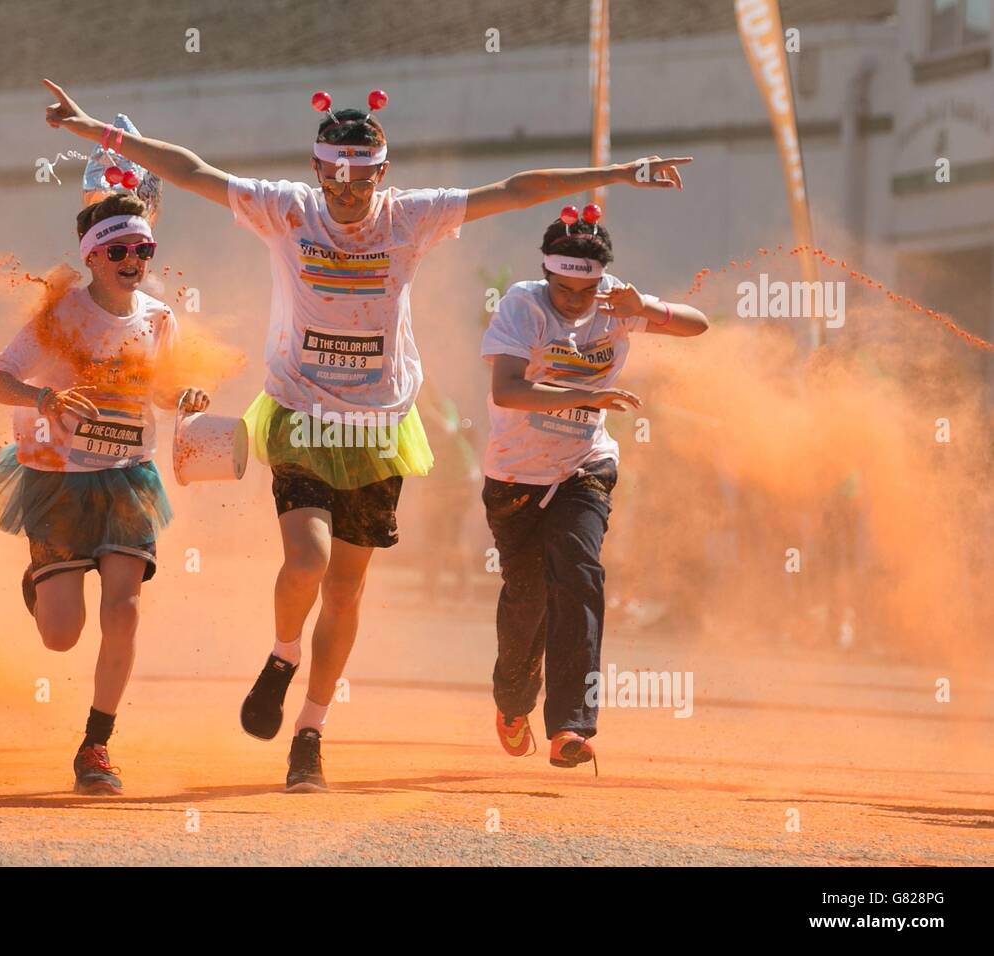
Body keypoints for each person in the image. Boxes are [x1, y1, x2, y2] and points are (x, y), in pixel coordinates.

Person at [41, 77, 690, 792]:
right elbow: (191, 171)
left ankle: (310, 735)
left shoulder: (411, 217)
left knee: (346, 593)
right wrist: (98, 132)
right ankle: (283, 653)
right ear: (317, 169)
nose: (347, 192)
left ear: (384, 173)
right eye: (335, 176)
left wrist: (619, 173)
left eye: (362, 178)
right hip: (301, 413)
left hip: (379, 426)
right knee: (308, 561)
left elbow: (516, 187)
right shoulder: (286, 209)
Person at [0, 192, 209, 795]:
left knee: (124, 608)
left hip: (130, 473)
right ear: (93, 257)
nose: (134, 259)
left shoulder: (158, 319)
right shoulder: (59, 316)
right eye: (120, 250)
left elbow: (162, 389)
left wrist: (185, 400)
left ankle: (96, 745)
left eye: (143, 249)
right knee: (61, 635)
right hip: (60, 480)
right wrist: (44, 398)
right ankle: (41, 583)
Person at [480, 210, 707, 771]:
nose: (576, 300)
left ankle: (570, 727)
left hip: (585, 466)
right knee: (527, 597)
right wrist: (584, 399)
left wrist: (646, 310)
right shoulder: (522, 305)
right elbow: (508, 391)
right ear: (546, 274)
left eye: (587, 288)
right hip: (514, 476)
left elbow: (697, 324)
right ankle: (512, 703)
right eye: (565, 288)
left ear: (601, 278)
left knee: (578, 574)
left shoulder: (616, 302)